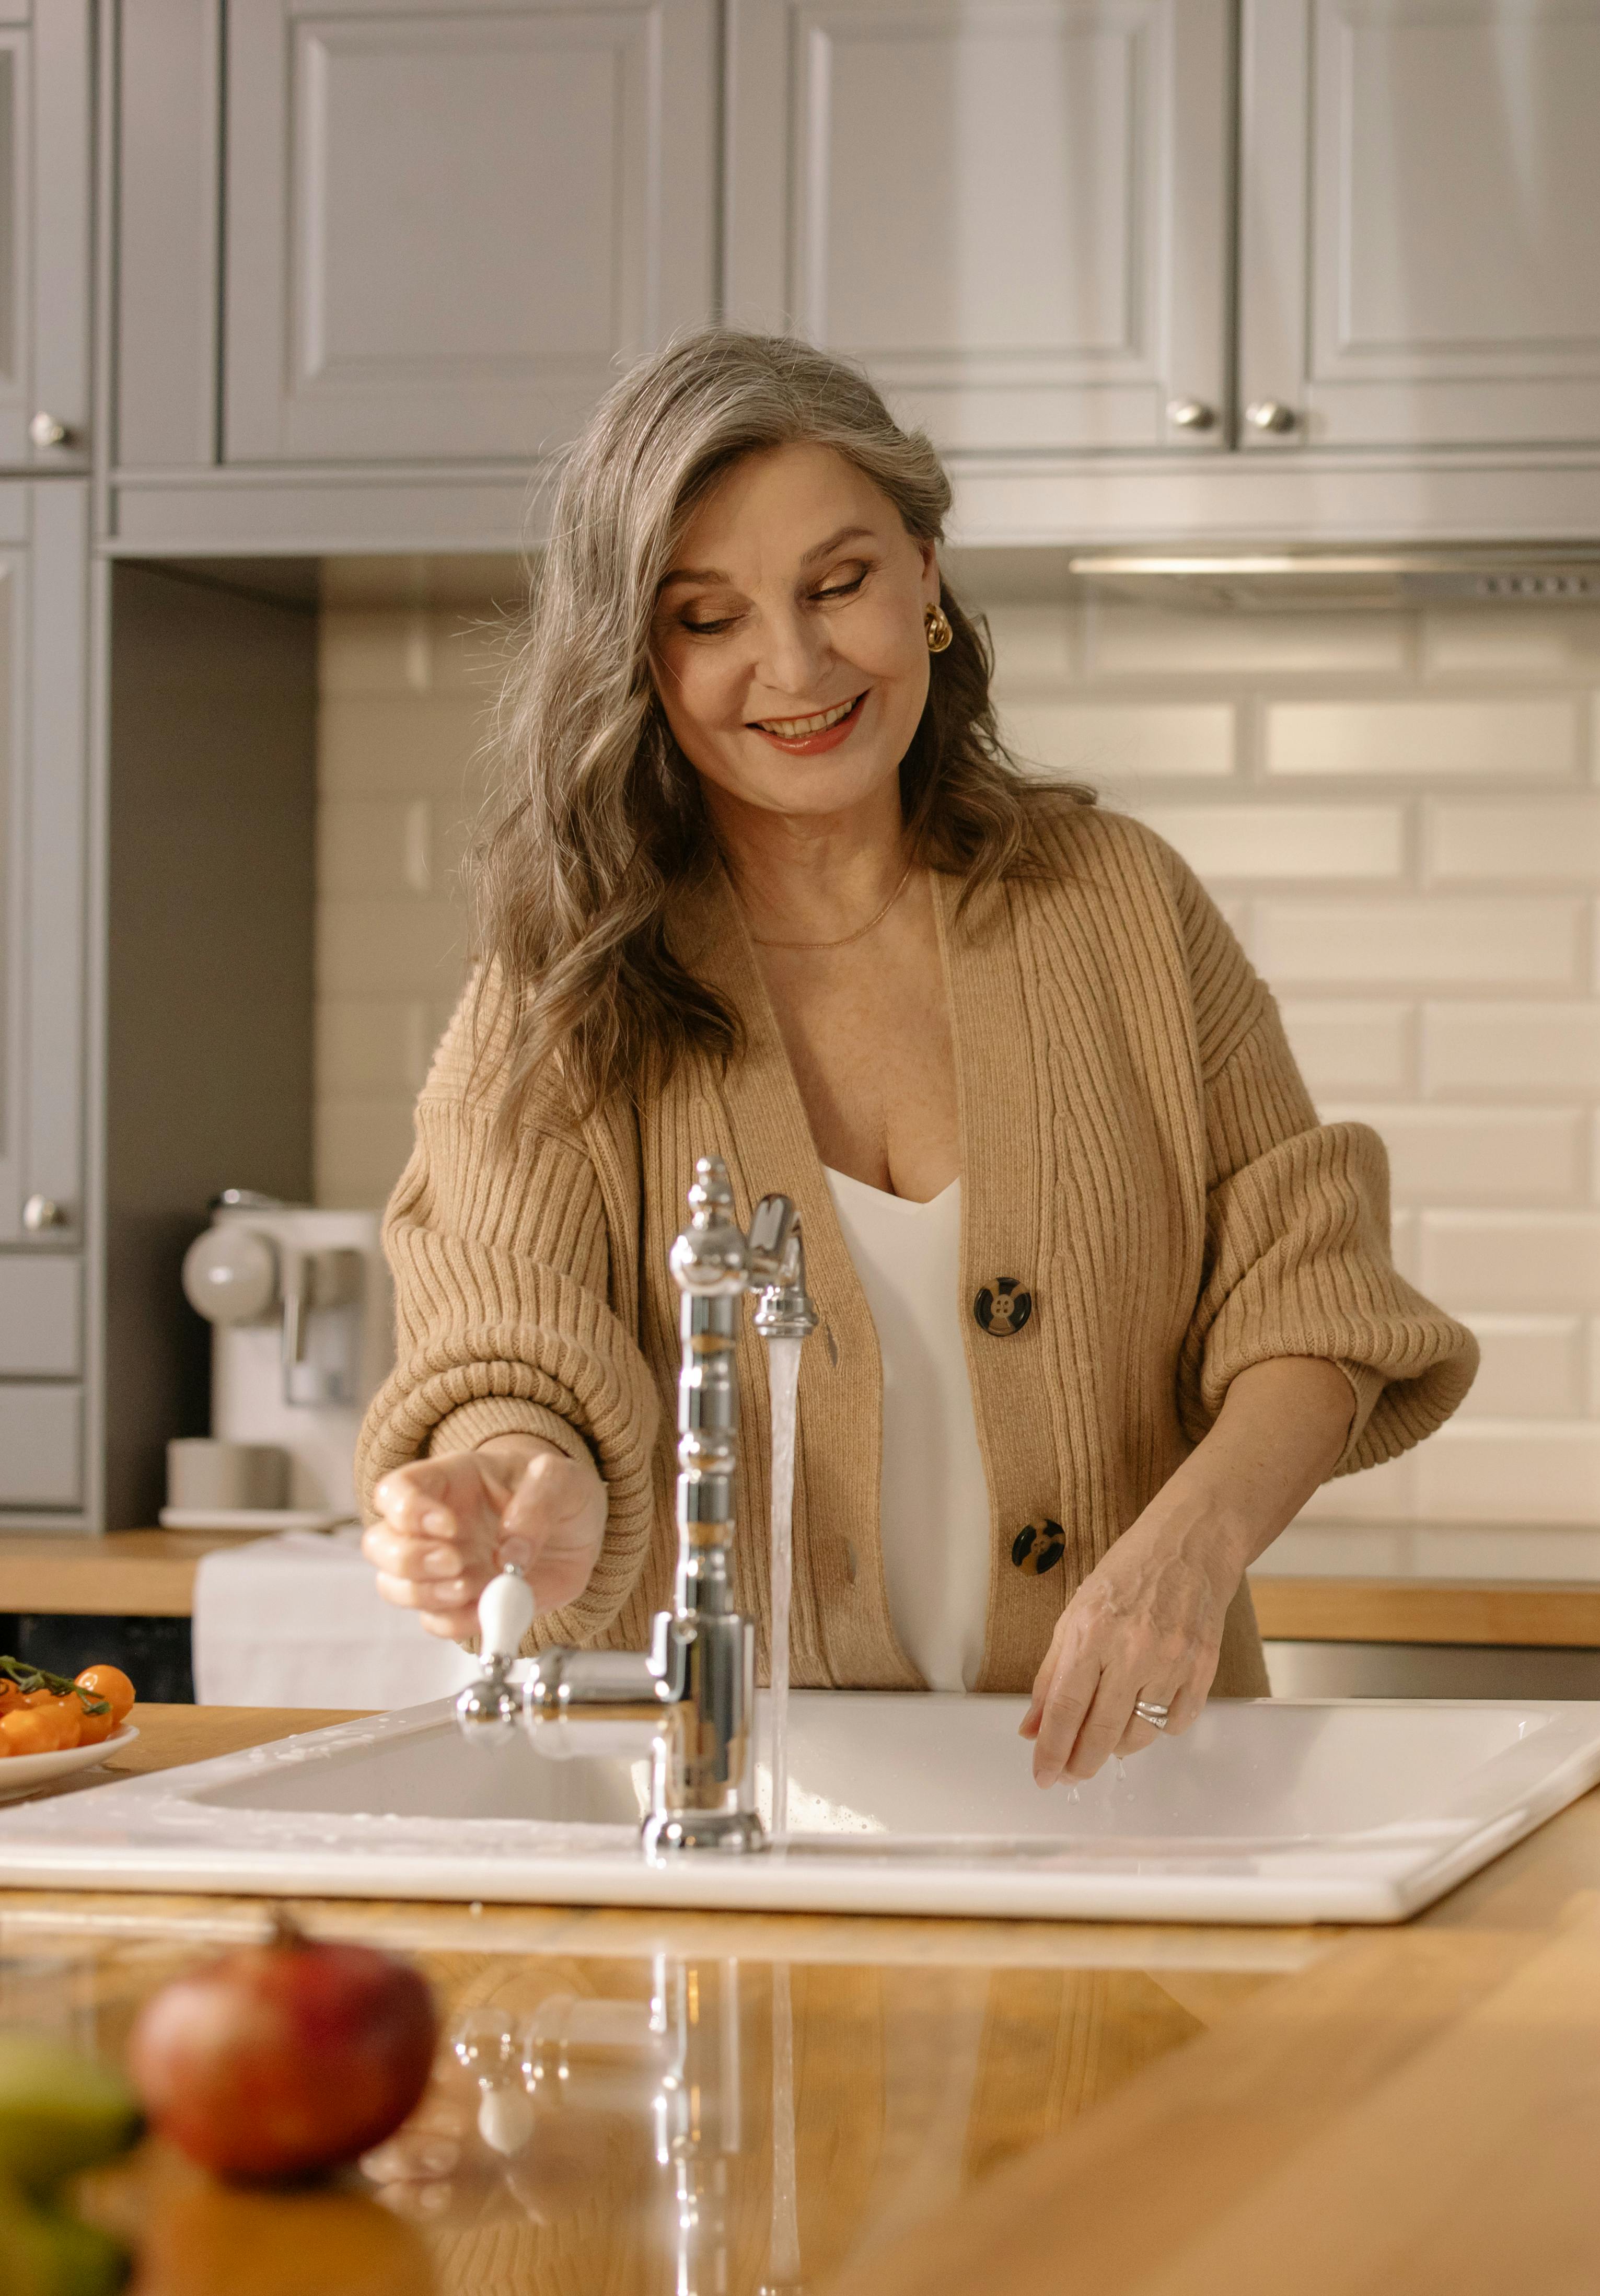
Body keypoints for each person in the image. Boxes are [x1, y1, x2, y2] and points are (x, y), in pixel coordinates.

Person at [353, 331, 1476, 1785]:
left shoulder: (1117, 904)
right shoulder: (563, 980)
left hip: (1151, 1789)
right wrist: (509, 1488)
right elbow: (510, 1334)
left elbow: (1310, 1291)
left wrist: (1190, 1549)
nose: (798, 664)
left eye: (839, 585)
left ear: (926, 574)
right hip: (741, 1821)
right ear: (637, 654)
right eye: (710, 617)